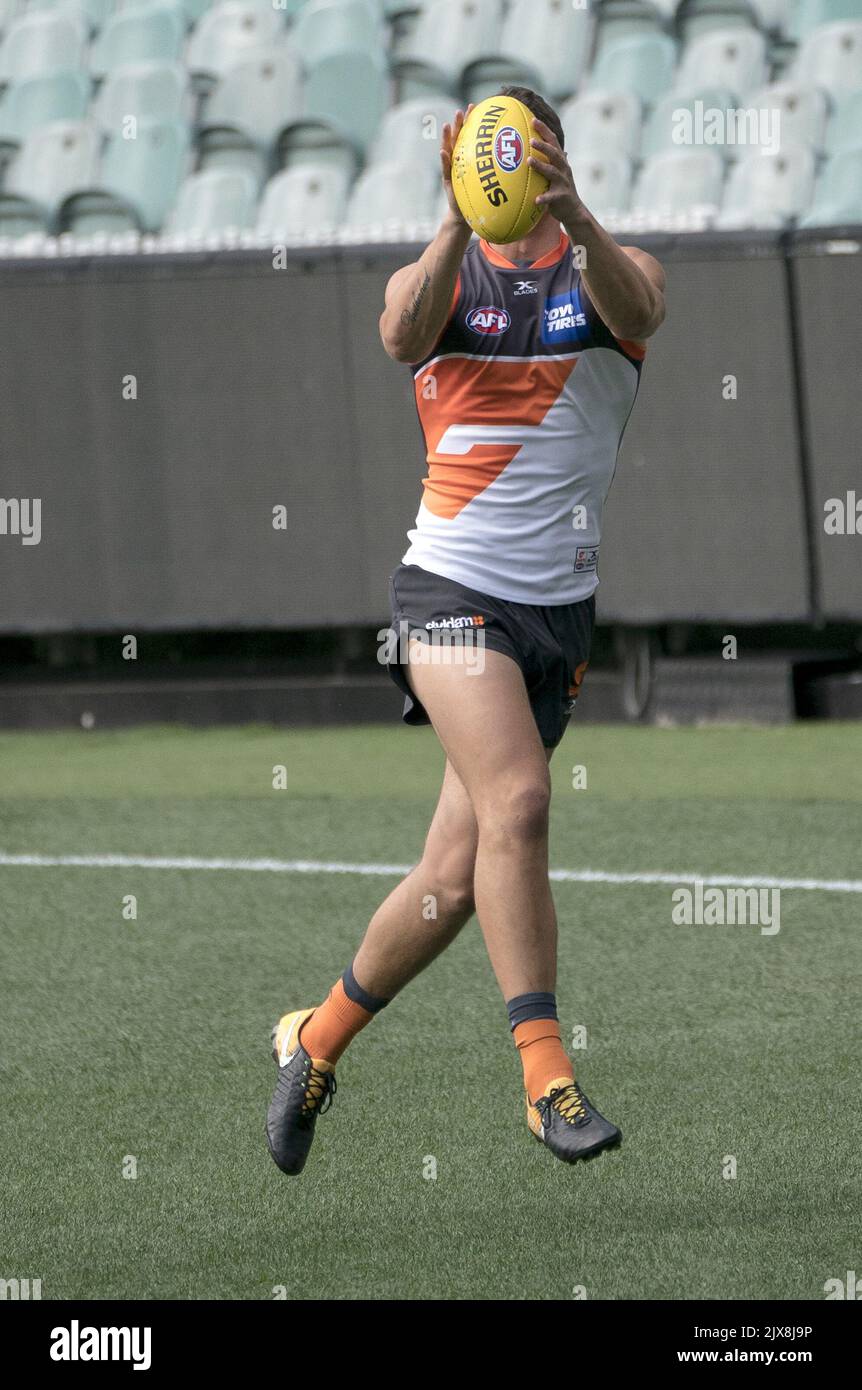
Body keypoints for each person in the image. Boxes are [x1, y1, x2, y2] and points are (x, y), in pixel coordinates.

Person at [267, 87, 666, 1174]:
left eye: (533, 156)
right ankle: (547, 1078)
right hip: (445, 591)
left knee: (449, 876)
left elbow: (641, 313)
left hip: (555, 616)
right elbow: (400, 329)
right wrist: (451, 217)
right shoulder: (436, 283)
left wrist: (579, 218)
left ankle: (316, 1040)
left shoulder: (612, 273)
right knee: (522, 800)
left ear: (561, 161)